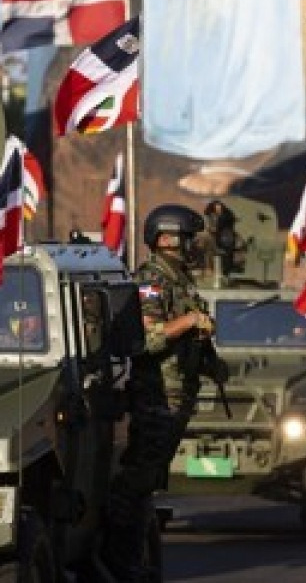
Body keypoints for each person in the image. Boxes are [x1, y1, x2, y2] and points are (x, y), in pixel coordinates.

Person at [105, 204, 218, 581]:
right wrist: (188, 322)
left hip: (176, 393)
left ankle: (133, 556)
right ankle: (119, 559)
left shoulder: (180, 280)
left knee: (147, 483)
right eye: (189, 239)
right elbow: (146, 341)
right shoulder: (151, 280)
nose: (194, 247)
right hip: (156, 396)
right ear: (168, 239)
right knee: (136, 483)